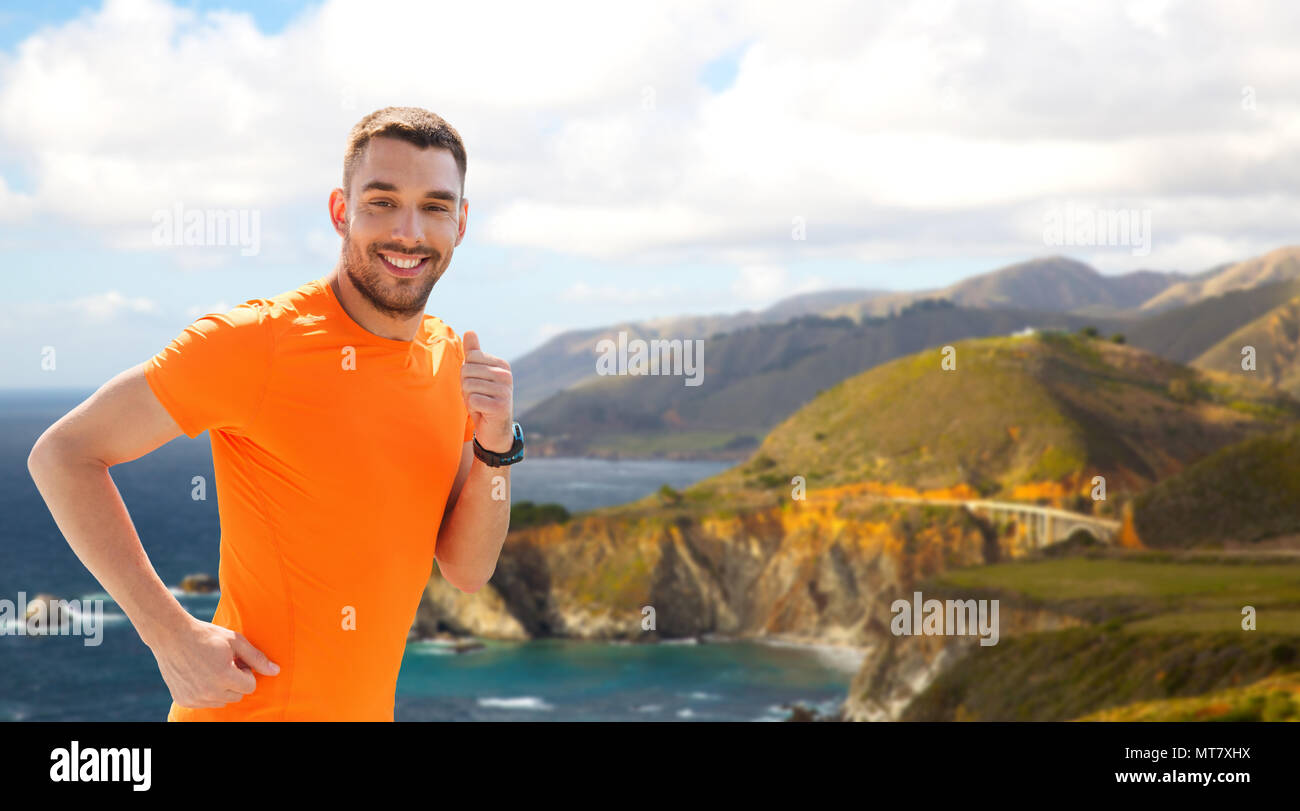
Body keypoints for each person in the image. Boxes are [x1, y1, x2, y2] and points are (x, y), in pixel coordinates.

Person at [27, 106, 524, 720]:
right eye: (382, 202)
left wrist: (496, 445)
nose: (409, 231)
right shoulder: (255, 341)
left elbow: (467, 570)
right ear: (341, 211)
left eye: (435, 207)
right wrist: (168, 633)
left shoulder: (450, 360)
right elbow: (62, 455)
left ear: (461, 223)